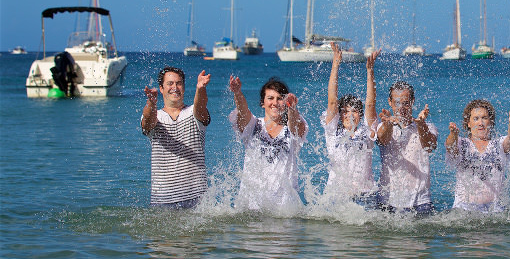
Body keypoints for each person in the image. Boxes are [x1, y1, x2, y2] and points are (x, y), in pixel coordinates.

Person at [229, 75, 308, 213]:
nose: (275, 103)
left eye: (280, 98)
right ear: (262, 102)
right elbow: (243, 111)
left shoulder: (291, 129)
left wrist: (292, 109)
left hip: (284, 210)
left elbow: (295, 124)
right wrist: (237, 93)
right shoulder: (253, 125)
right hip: (252, 208)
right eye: (270, 98)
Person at [321, 43, 381, 208]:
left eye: (354, 111)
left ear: (360, 115)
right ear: (340, 114)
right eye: (345, 111)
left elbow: (370, 105)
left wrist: (370, 72)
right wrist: (336, 64)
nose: (349, 115)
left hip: (365, 195)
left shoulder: (366, 131)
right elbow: (332, 101)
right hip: (336, 195)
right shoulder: (333, 131)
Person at [141, 66, 211, 208]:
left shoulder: (193, 112)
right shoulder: (157, 115)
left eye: (179, 83)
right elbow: (147, 123)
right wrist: (151, 103)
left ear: (184, 87)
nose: (175, 87)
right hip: (162, 199)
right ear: (161, 88)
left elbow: (201, 108)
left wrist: (200, 89)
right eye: (170, 83)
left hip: (196, 198)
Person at [445, 99, 510, 212]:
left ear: (490, 122)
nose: (480, 123)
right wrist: (453, 134)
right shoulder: (462, 143)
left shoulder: (498, 144)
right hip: (465, 209)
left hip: (495, 209)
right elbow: (450, 147)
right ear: (469, 123)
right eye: (476, 119)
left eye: (484, 118)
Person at [376, 81, 438, 214]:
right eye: (397, 103)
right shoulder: (382, 126)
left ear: (412, 101)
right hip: (387, 200)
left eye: (405, 103)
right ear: (390, 102)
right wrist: (388, 124)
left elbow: (429, 146)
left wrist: (421, 124)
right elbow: (382, 139)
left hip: (420, 201)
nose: (401, 107)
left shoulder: (428, 127)